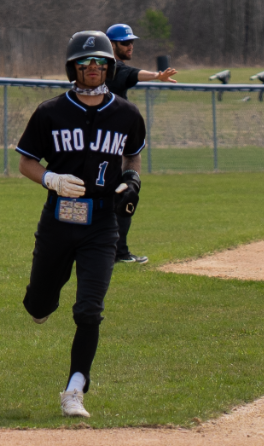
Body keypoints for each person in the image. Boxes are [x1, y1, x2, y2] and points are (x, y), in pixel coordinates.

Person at [16, 30, 146, 418]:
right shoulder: (50, 112)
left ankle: (75, 389)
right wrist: (51, 179)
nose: (94, 67)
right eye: (86, 62)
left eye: (101, 62)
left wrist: (133, 180)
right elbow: (26, 161)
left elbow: (132, 159)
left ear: (109, 67)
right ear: (73, 67)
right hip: (59, 219)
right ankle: (42, 301)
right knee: (38, 305)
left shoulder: (126, 113)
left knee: (89, 310)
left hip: (102, 223)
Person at [103, 23, 178, 265]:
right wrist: (157, 75)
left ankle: (117, 251)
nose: (130, 45)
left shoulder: (106, 69)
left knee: (123, 194)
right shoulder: (113, 69)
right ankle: (115, 252)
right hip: (105, 141)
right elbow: (133, 73)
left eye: (131, 41)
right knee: (122, 194)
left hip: (116, 138)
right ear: (111, 45)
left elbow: (131, 73)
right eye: (124, 42)